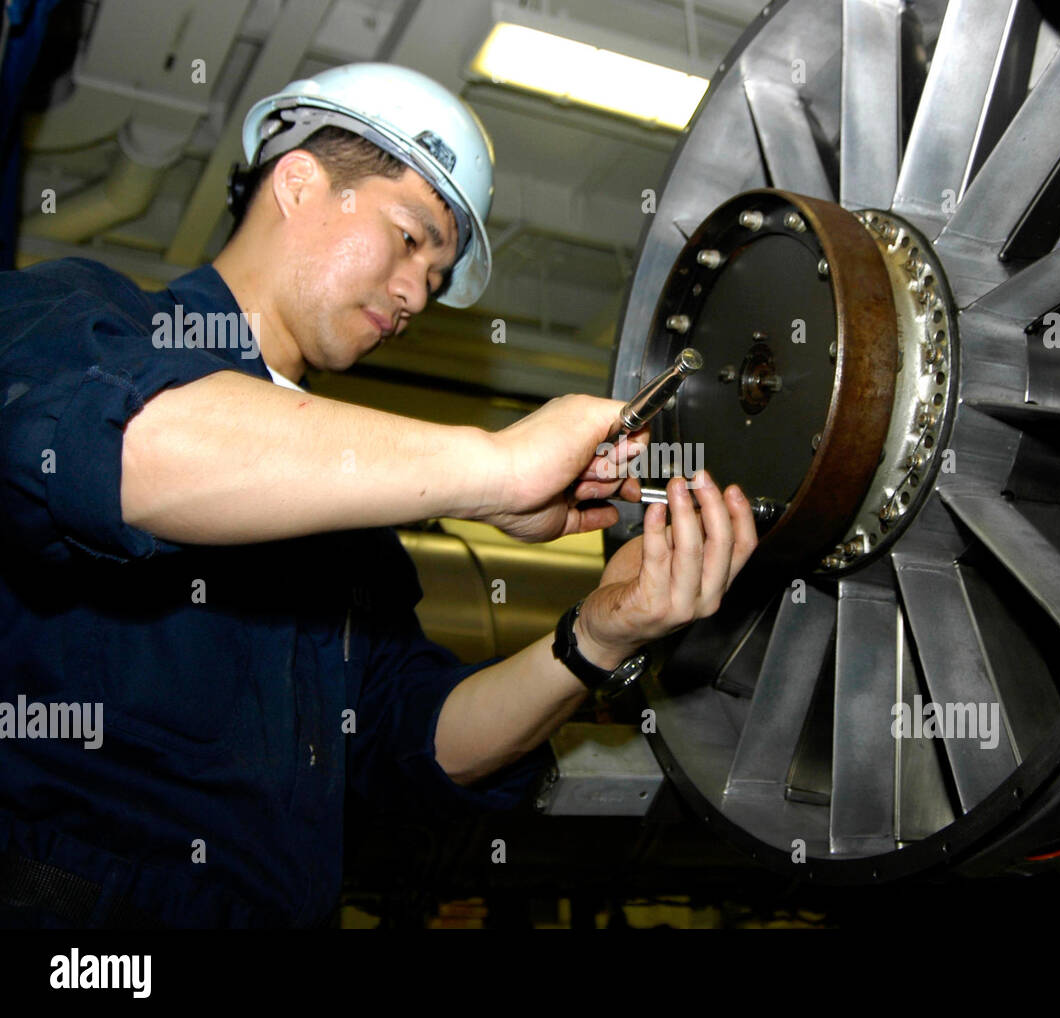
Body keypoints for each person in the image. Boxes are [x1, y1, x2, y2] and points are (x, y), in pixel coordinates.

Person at [0, 62, 756, 927]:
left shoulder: (356, 544)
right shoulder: (63, 317)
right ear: (297, 182)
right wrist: (500, 467)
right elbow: (124, 443)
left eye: (436, 280)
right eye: (409, 241)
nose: (415, 296)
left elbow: (422, 739)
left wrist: (596, 636)